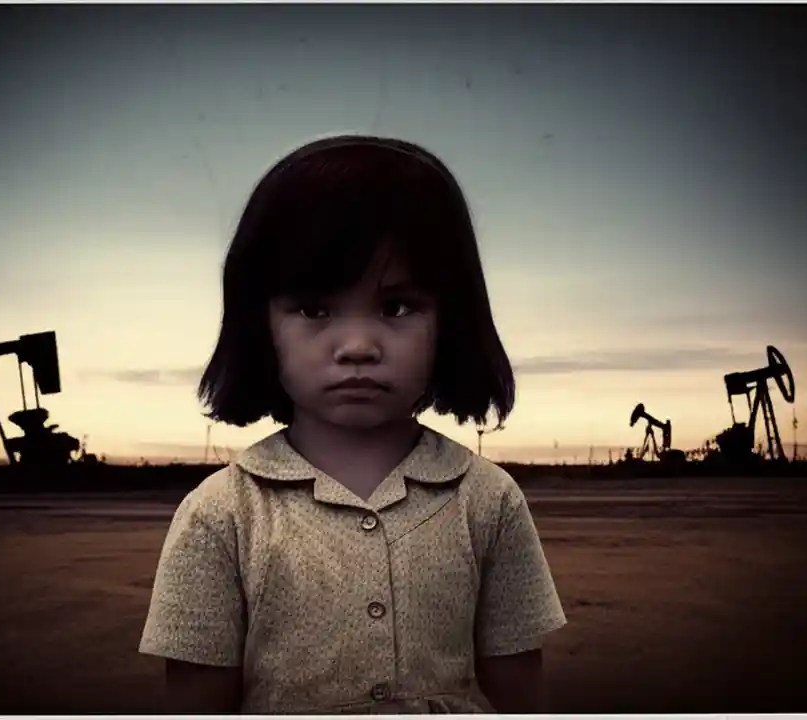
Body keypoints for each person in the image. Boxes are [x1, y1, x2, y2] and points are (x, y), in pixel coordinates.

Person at [138, 134, 566, 713]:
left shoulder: (490, 501)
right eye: (315, 309)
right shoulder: (220, 516)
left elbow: (520, 691)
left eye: (396, 307)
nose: (359, 345)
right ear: (259, 325)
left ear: (451, 321)